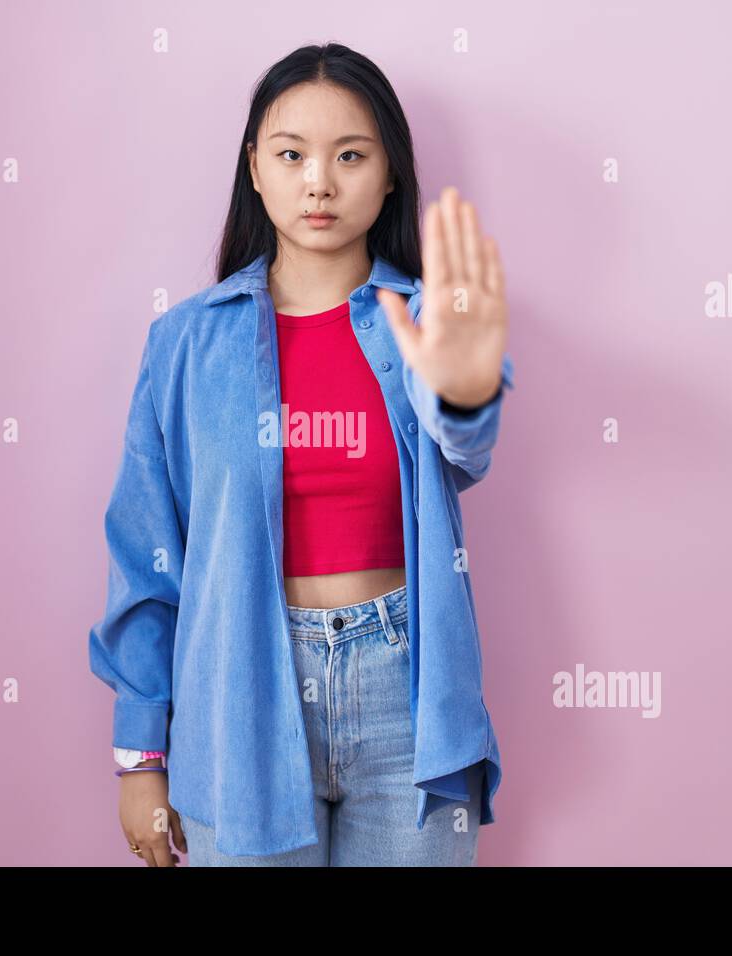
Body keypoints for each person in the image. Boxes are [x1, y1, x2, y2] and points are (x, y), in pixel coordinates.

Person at [89, 42, 514, 866]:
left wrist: (464, 390)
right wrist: (141, 755)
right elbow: (145, 559)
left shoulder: (429, 325)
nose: (319, 181)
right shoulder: (183, 345)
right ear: (255, 168)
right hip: (239, 688)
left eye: (351, 156)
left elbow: (468, 446)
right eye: (292, 155)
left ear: (390, 172)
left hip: (407, 694)